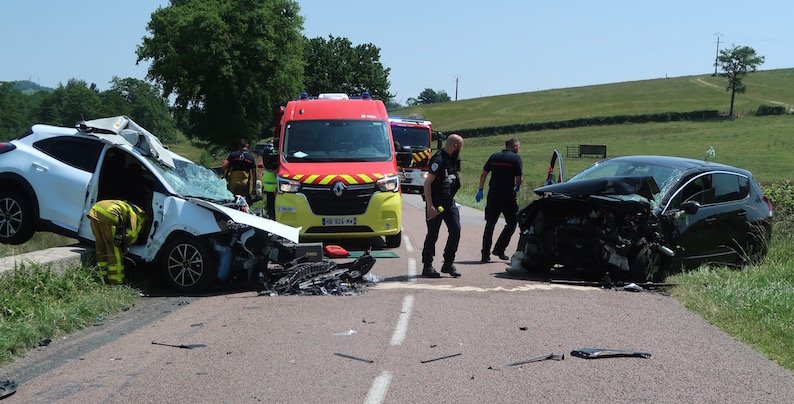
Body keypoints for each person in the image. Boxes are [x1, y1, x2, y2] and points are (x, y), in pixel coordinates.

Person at [421, 134, 464, 278]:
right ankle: (427, 266)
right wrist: (429, 206)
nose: (461, 150)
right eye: (461, 147)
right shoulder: (438, 159)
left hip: (449, 203)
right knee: (433, 234)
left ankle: (448, 263)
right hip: (435, 203)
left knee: (456, 229)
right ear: (456, 145)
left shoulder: (453, 160)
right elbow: (427, 183)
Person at [476, 137, 523, 262]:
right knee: (512, 223)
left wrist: (480, 189)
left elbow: (484, 174)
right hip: (508, 196)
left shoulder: (494, 157)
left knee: (490, 225)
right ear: (513, 146)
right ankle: (499, 249)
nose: (518, 148)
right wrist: (518, 185)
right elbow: (519, 177)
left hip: (493, 195)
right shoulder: (516, 158)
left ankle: (485, 255)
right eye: (518, 146)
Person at [87, 200, 149, 285]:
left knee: (100, 246)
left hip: (94, 212)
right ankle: (116, 282)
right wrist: (125, 241)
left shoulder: (125, 206)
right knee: (114, 250)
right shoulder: (139, 216)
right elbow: (132, 235)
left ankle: (101, 279)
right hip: (109, 215)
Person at [222, 138, 258, 203]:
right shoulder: (251, 157)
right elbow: (254, 175)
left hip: (233, 182)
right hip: (244, 183)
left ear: (239, 146)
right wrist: (254, 189)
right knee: (243, 201)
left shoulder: (233, 155)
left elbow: (224, 166)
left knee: (232, 200)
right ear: (247, 145)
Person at [261, 141, 278, 219]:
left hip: (268, 181)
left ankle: (271, 216)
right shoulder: (279, 153)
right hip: (277, 183)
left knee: (270, 201)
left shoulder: (267, 151)